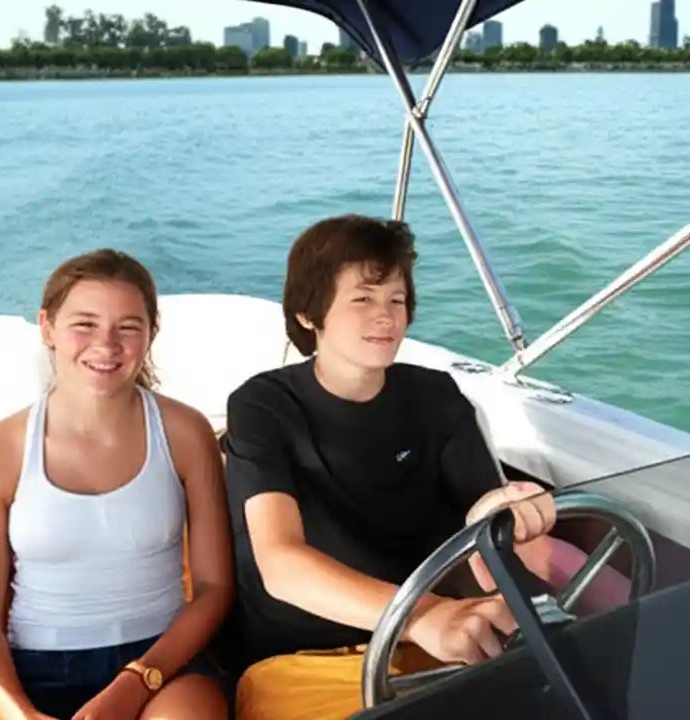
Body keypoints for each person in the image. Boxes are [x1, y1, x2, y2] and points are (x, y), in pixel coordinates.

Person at [221, 215, 558, 719]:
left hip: (447, 640)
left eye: (396, 300)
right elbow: (281, 564)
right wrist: (423, 616)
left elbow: (482, 516)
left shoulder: (436, 396)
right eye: (363, 299)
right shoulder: (263, 406)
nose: (386, 317)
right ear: (309, 315)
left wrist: (508, 503)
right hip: (309, 658)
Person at [0, 249, 233, 720]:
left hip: (165, 662)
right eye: (84, 324)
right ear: (47, 327)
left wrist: (138, 681)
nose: (106, 344)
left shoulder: (185, 432)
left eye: (128, 327)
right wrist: (22, 715)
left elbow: (213, 587)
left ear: (150, 335)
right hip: (30, 670)